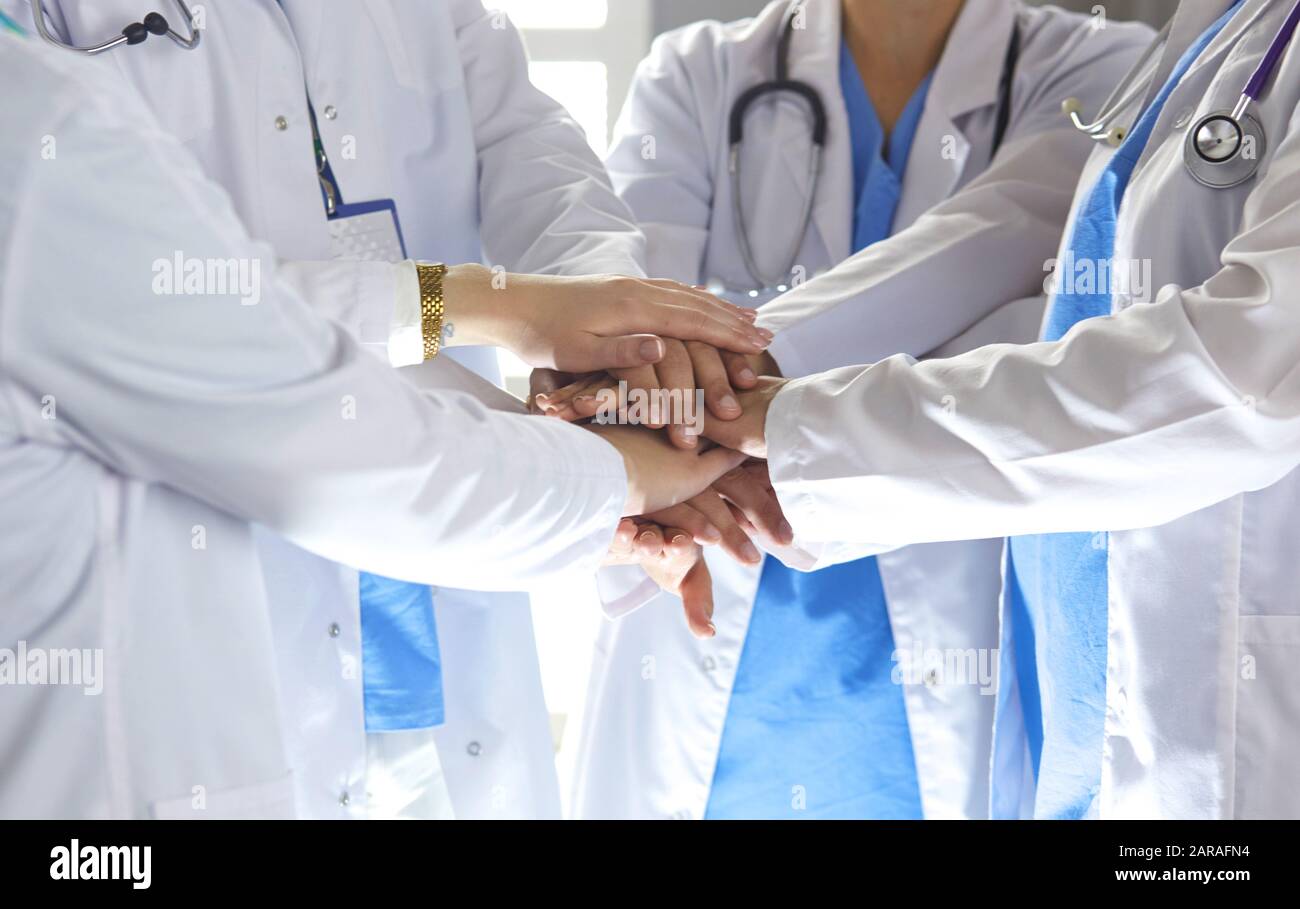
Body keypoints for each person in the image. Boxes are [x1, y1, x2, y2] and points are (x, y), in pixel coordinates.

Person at [0, 0, 775, 819]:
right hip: (225, 629)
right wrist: (507, 324)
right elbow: (190, 317)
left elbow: (531, 151)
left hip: (448, 635)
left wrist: (627, 350)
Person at [698, 0, 1300, 819]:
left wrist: (754, 412)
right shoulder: (1215, 36)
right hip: (1087, 745)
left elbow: (1245, 378)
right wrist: (518, 324)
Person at [558, 0, 1152, 820]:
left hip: (948, 652)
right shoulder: (694, 75)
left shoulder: (1107, 68)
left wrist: (739, 377)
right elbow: (636, 341)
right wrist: (711, 390)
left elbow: (1023, 258)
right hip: (720, 649)